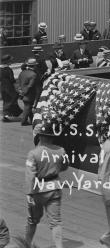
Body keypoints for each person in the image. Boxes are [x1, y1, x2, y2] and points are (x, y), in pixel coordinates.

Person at [25, 120, 69, 248]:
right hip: (54, 188)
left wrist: (29, 192)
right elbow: (65, 166)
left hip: (37, 190)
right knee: (56, 222)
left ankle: (27, 245)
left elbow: (30, 175)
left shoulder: (33, 153)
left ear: (40, 137)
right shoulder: (61, 150)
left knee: (32, 221)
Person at [16, 59, 39, 126]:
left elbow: (19, 82)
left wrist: (21, 91)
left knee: (27, 106)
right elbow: (30, 86)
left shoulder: (22, 72)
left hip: (22, 92)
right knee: (28, 107)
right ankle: (24, 121)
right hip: (29, 93)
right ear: (34, 66)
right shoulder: (33, 74)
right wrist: (25, 92)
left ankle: (31, 120)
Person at [1, 54, 20, 120]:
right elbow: (12, 80)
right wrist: (17, 88)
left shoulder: (0, 69)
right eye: (10, 60)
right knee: (11, 99)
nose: (11, 61)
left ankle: (14, 112)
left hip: (3, 87)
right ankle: (7, 114)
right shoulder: (8, 70)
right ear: (7, 61)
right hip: (9, 88)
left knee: (6, 100)